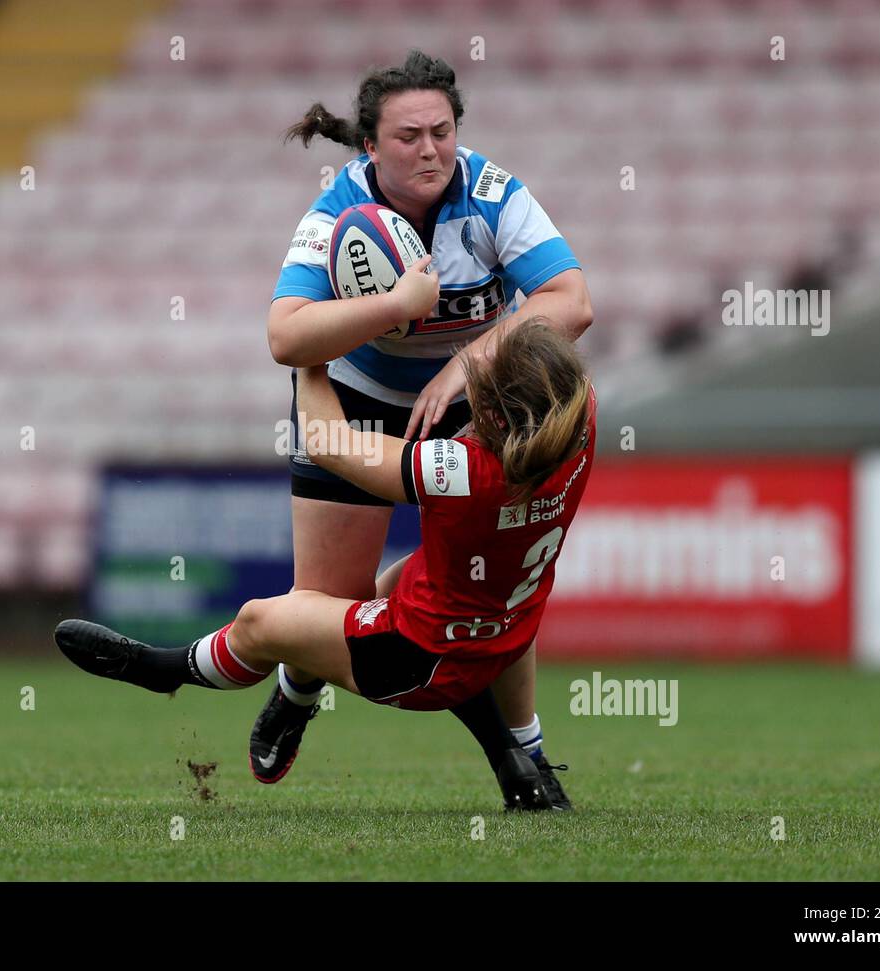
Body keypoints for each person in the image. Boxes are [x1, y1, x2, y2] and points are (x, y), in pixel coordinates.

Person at [55, 320, 596, 811]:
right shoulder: (582, 419)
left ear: (498, 417)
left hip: (417, 659)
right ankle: (506, 754)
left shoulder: (461, 471)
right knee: (395, 586)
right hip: (507, 627)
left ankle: (163, 670)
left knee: (263, 621)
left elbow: (328, 443)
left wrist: (311, 354)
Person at [258, 49, 594, 783]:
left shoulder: (493, 193)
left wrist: (465, 365)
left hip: (474, 402)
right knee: (331, 599)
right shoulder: (335, 211)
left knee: (492, 581)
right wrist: (394, 309)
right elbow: (285, 335)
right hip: (357, 399)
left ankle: (526, 754)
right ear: (370, 145)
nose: (430, 149)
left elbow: (572, 301)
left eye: (442, 131)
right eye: (409, 136)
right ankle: (296, 691)